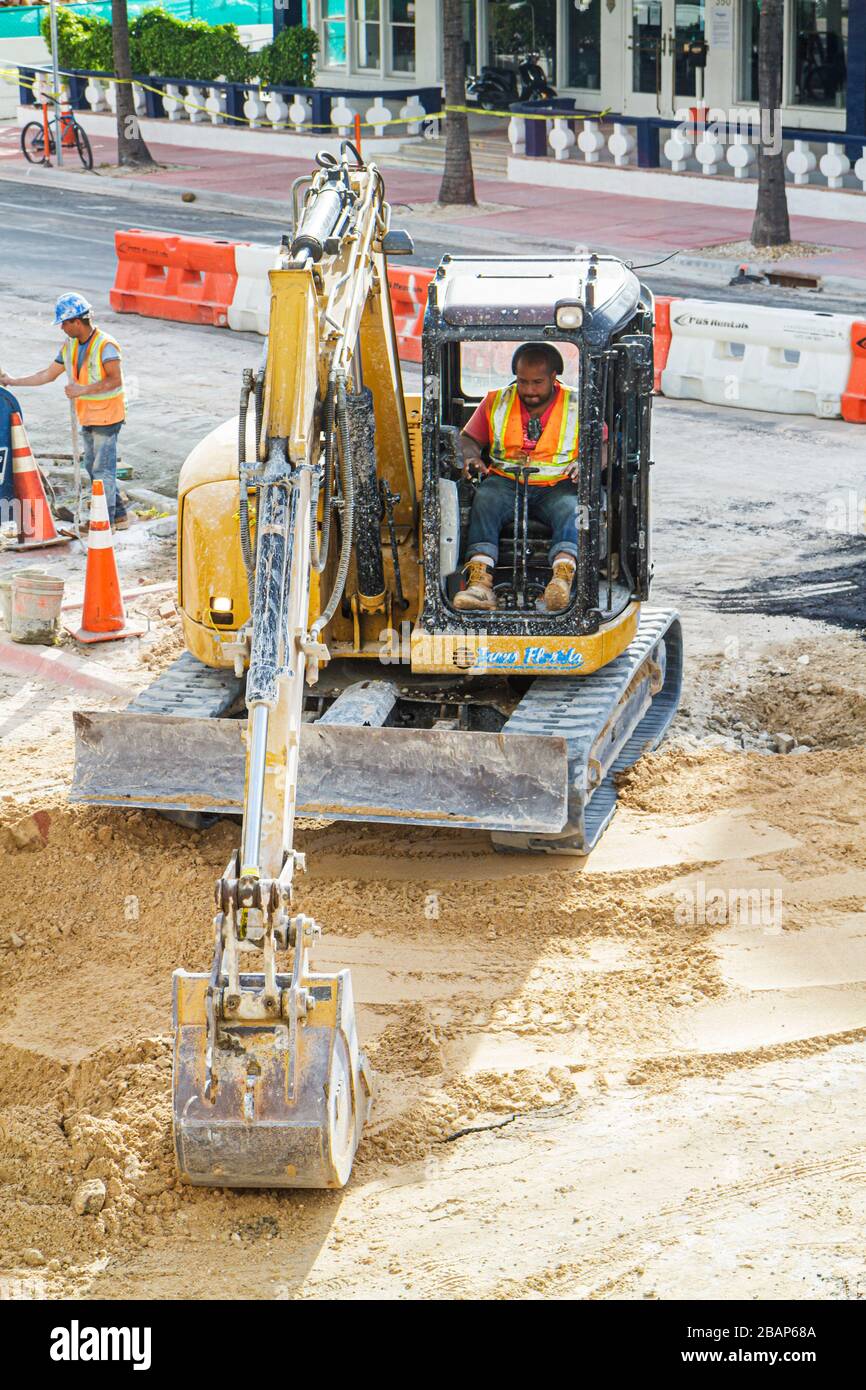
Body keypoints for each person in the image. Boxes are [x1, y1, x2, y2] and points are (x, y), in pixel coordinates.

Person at [454, 342, 580, 612]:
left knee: (573, 508)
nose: (530, 390)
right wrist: (471, 456)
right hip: (506, 481)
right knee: (485, 498)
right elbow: (468, 438)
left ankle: (561, 581)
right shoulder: (497, 400)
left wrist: (586, 463)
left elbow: (602, 445)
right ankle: (480, 585)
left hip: (557, 485)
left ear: (554, 376)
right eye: (523, 382)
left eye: (537, 382)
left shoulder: (577, 404)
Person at [0, 293, 128, 529]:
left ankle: (105, 522)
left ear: (77, 321)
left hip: (107, 416)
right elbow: (47, 375)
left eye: (64, 323)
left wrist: (82, 389)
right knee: (93, 467)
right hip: (88, 415)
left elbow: (115, 381)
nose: (61, 328)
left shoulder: (105, 345)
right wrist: (12, 381)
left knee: (102, 470)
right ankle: (119, 514)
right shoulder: (70, 346)